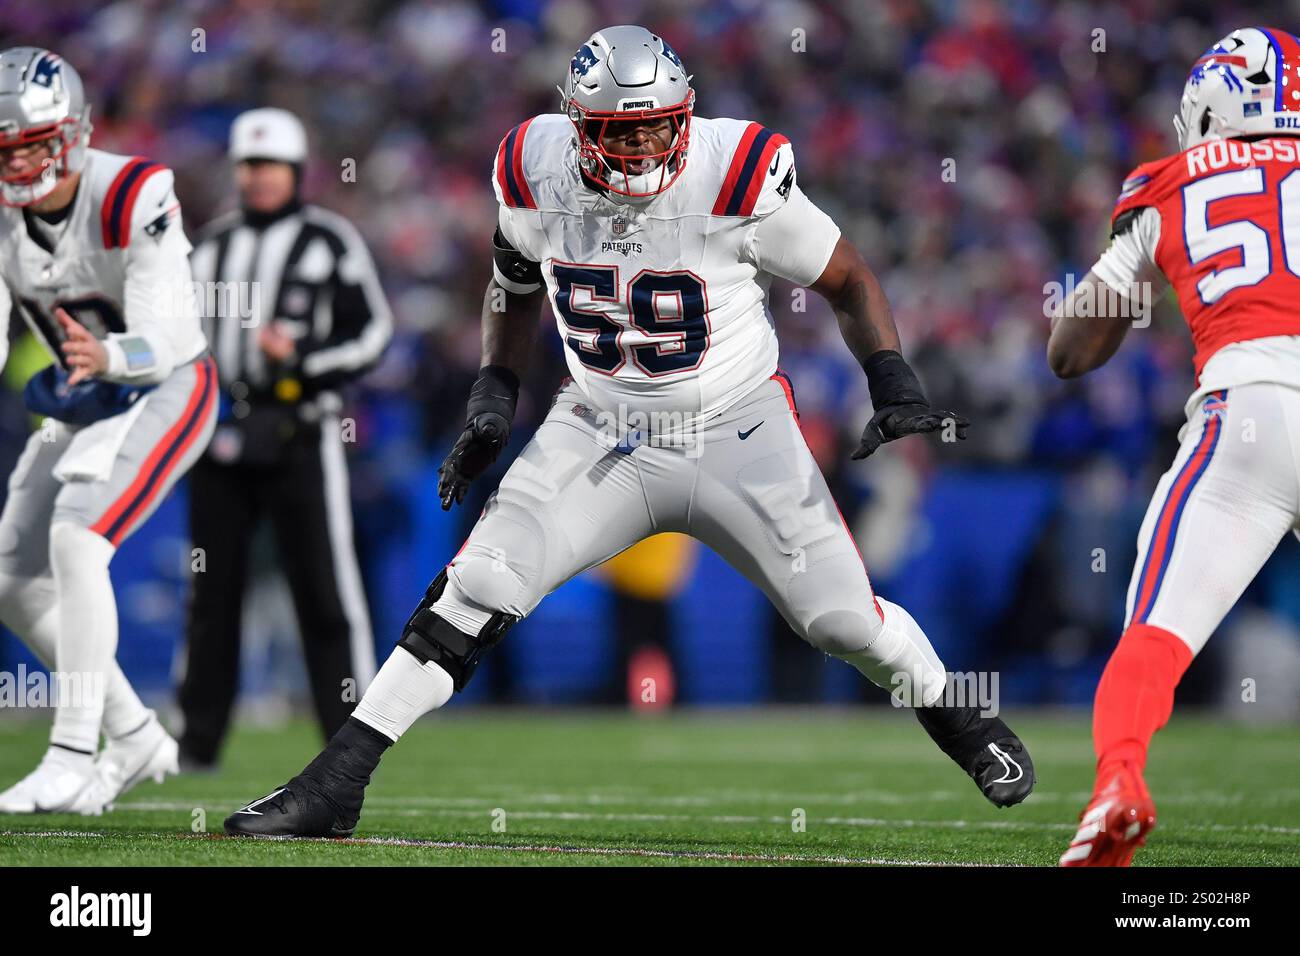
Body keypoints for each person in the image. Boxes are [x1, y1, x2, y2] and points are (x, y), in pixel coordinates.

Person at [224, 25, 1035, 838]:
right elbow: (512, 284)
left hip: (738, 426)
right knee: (480, 586)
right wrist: (495, 392)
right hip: (600, 424)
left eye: (660, 123)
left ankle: (967, 722)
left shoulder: (734, 172)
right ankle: (335, 782)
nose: (647, 144)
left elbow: (848, 276)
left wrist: (891, 379)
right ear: (580, 127)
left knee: (842, 622)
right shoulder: (533, 168)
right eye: (625, 128)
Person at [1050, 27, 1300, 866]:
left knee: (1153, 638)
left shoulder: (1166, 185)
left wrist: (1131, 261)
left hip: (1248, 416)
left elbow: (1069, 353)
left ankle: (1118, 784)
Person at [0, 48, 214, 813]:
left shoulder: (132, 190)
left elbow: (172, 331)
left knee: (78, 540)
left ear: (73, 131)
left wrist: (112, 352)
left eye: (33, 140)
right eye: (6, 145)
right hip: (83, 401)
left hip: (170, 383)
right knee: (11, 578)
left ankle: (71, 747)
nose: (21, 158)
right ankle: (132, 734)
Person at [176, 108, 391, 770]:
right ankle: (196, 744)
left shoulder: (329, 240)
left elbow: (373, 333)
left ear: (295, 172)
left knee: (325, 591)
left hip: (303, 429)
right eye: (249, 165)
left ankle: (349, 744)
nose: (259, 177)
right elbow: (179, 343)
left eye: (270, 165)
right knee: (213, 595)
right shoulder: (208, 248)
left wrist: (301, 357)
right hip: (222, 433)